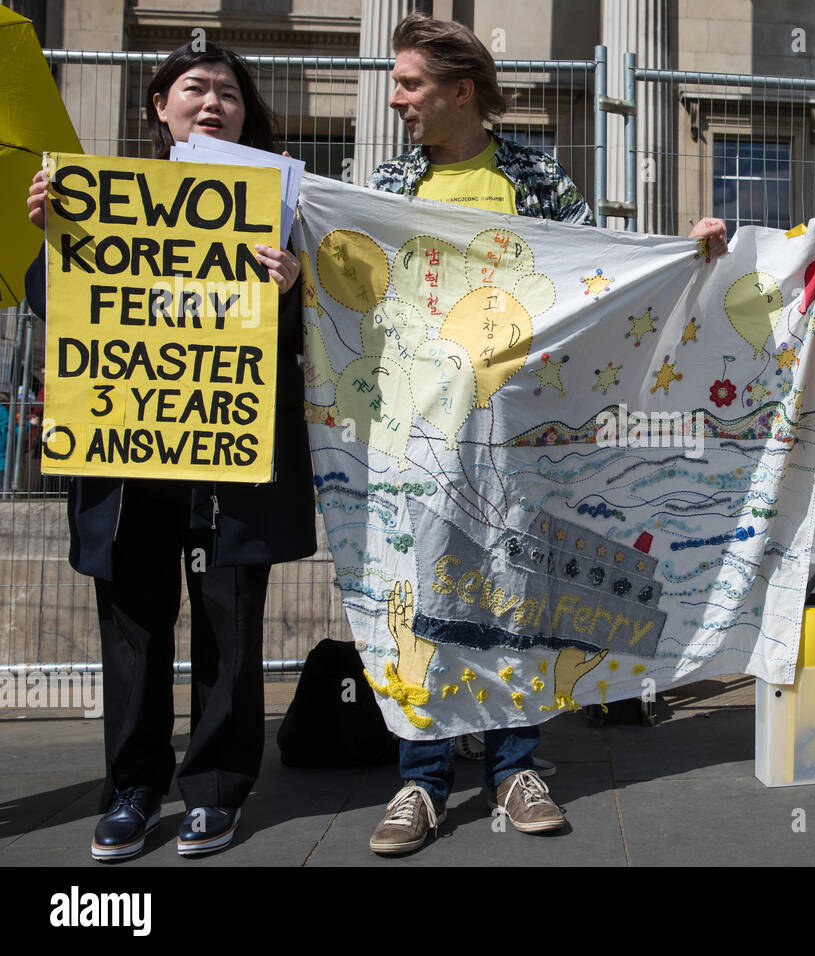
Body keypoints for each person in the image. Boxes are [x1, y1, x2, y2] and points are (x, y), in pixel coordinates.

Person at [364, 14, 725, 855]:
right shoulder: (387, 182)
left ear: (460, 90)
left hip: (522, 435)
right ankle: (420, 779)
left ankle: (515, 768)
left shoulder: (534, 177)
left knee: (519, 591)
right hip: (416, 432)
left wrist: (685, 249)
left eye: (411, 83)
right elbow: (356, 283)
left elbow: (606, 267)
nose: (397, 98)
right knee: (420, 596)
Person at [24, 42, 317, 860]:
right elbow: (64, 314)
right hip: (129, 463)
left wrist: (292, 285)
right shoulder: (103, 198)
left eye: (228, 92)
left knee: (228, 630)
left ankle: (217, 790)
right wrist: (57, 236)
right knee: (133, 631)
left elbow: (311, 338)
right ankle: (131, 789)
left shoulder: (279, 205)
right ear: (160, 106)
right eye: (195, 88)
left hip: (227, 463)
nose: (213, 103)